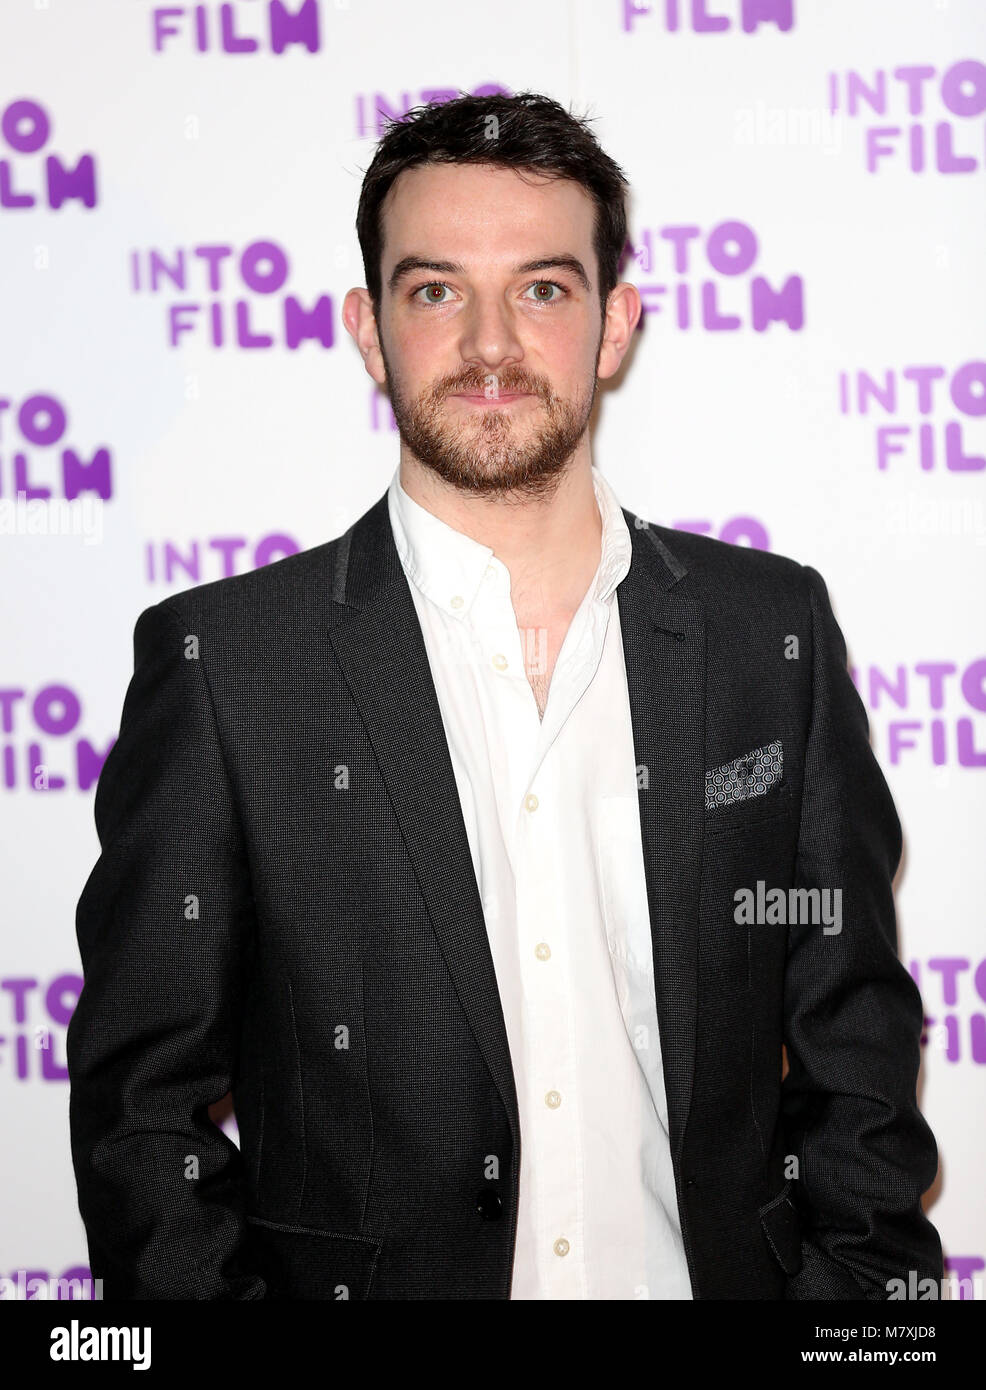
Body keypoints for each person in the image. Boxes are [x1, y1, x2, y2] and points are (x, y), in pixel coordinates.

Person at [67, 91, 941, 1300]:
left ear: (613, 324)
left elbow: (855, 1046)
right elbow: (138, 1111)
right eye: (433, 291)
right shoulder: (230, 667)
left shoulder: (763, 636)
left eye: (540, 287)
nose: (489, 344)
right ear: (368, 331)